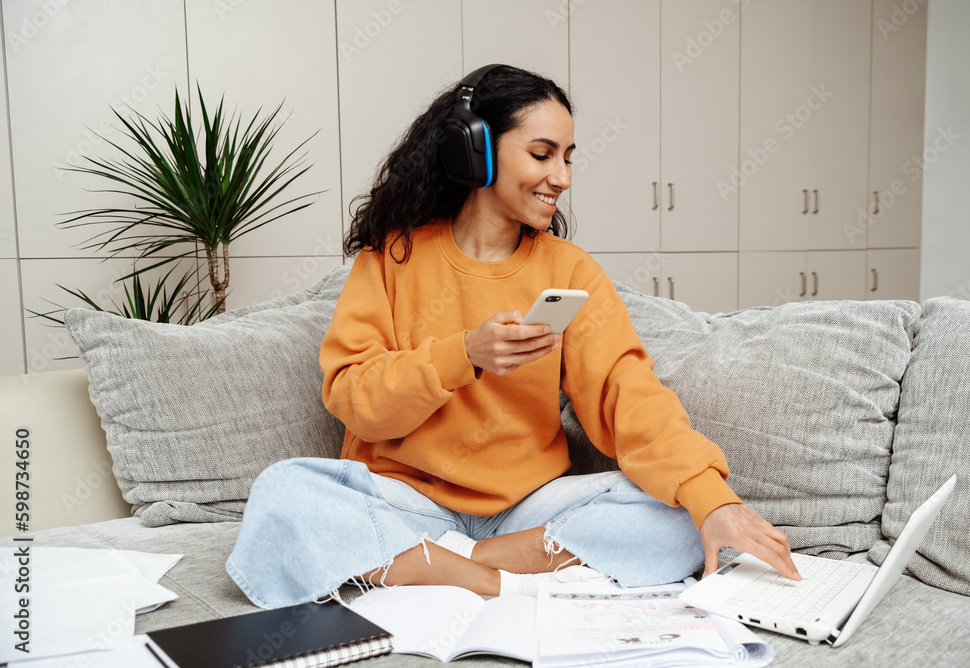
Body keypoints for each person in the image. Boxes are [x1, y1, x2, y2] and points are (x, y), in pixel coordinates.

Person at [226, 64, 799, 610]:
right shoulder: (390, 260)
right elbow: (357, 402)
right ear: (474, 151)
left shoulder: (570, 272)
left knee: (678, 518)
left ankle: (450, 570)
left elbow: (631, 397)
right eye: (542, 154)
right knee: (284, 492)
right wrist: (463, 354)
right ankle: (498, 583)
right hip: (406, 504)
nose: (562, 178)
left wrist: (713, 501)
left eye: (568, 158)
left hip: (527, 514)